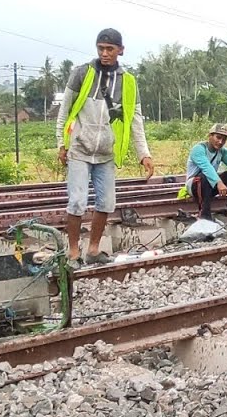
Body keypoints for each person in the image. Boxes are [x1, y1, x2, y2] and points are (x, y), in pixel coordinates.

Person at [56, 28, 155, 265]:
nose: (104, 53)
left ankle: (92, 249)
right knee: (77, 201)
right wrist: (61, 143)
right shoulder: (81, 74)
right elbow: (64, 112)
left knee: (107, 202)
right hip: (79, 149)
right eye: (101, 48)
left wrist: (144, 154)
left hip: (106, 154)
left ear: (121, 50)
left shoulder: (128, 83)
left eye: (110, 49)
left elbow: (135, 120)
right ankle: (72, 252)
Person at [181, 123, 227, 222]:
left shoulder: (221, 151)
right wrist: (219, 183)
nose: (220, 142)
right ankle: (205, 215)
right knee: (203, 177)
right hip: (195, 185)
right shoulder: (198, 149)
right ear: (210, 136)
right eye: (218, 137)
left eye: (224, 140)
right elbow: (207, 167)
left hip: (211, 184)